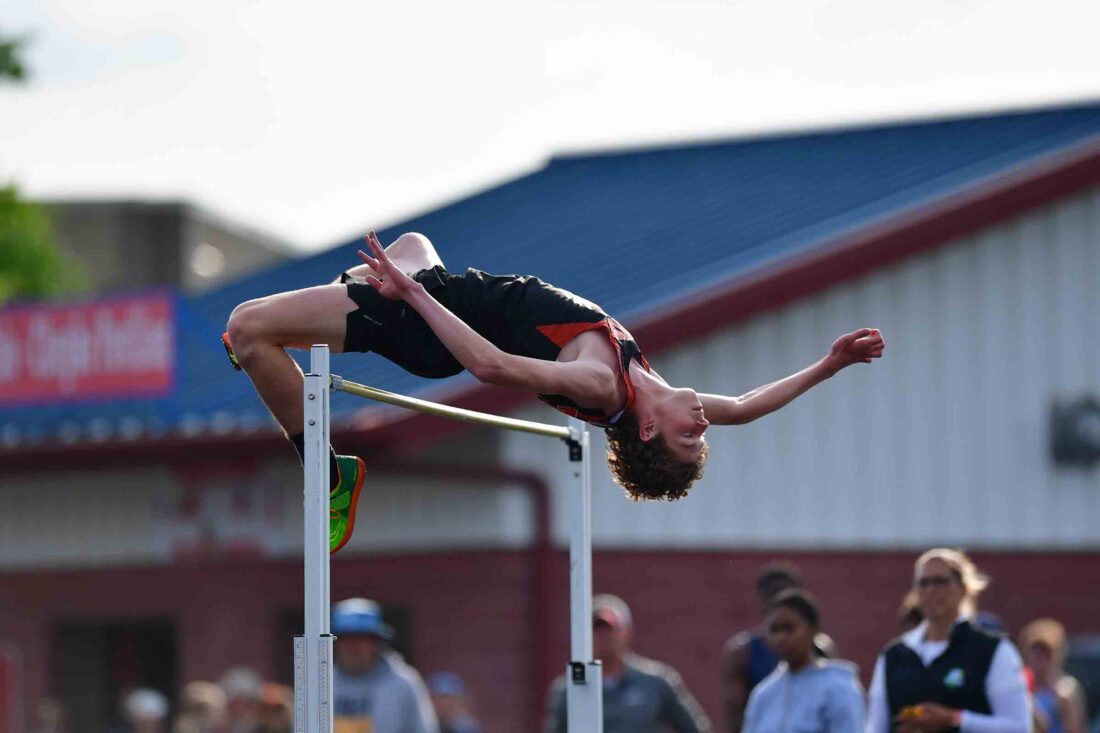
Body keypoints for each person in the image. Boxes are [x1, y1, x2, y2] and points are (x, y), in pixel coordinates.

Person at [223, 231, 886, 552]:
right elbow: (743, 407)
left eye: (692, 435)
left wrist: (415, 296)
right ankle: (272, 356)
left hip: (427, 321)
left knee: (248, 328)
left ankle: (327, 468)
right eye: (701, 432)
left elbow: (490, 367)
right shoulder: (649, 386)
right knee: (414, 244)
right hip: (448, 289)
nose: (703, 422)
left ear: (650, 432)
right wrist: (827, 365)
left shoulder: (602, 385)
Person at [866, 548, 1031, 733]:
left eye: (940, 582)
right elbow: (875, 728)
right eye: (923, 583)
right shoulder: (894, 655)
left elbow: (1019, 728)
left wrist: (954, 719)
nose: (931, 590)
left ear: (963, 588)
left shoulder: (993, 649)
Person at [542, 593, 713, 733]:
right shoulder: (571, 688)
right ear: (586, 636)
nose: (604, 638)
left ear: (627, 632)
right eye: (597, 631)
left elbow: (696, 728)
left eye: (610, 630)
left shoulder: (656, 682)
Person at [721, 562, 838, 733]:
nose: (782, 640)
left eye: (787, 598)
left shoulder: (823, 649)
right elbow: (736, 718)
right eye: (772, 597)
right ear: (762, 601)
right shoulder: (743, 653)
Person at [742, 589, 864, 733]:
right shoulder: (763, 694)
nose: (781, 638)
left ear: (814, 629)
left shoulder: (838, 687)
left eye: (789, 629)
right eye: (774, 630)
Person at [330, 597, 438, 733]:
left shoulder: (403, 682)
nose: (354, 647)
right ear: (335, 644)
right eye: (347, 639)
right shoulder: (322, 684)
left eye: (362, 639)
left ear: (376, 643)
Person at [1020, 618, 1088, 733]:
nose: (1039, 659)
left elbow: (1074, 729)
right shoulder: (1020, 683)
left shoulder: (1066, 689)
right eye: (1035, 651)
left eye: (1045, 653)